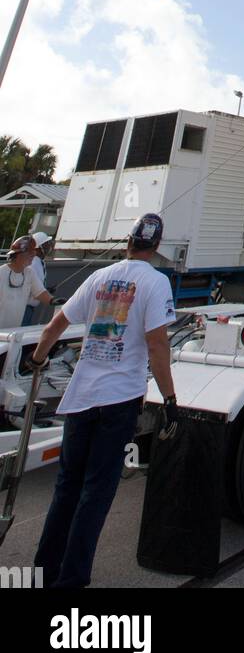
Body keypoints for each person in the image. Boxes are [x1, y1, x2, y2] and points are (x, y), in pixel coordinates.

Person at [29, 213, 178, 589]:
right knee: (96, 493)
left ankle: (42, 573)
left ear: (128, 241)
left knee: (67, 488)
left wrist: (38, 359)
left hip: (81, 398)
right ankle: (73, 579)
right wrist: (171, 399)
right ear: (157, 247)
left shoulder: (98, 278)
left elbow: (54, 326)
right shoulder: (156, 283)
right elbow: (158, 345)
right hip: (119, 402)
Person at [0, 235, 52, 328]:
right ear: (19, 255)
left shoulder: (29, 273)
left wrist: (54, 301)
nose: (33, 255)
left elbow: (40, 293)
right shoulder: (2, 273)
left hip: (14, 330)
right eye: (30, 252)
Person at [24, 231, 55, 326]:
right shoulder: (32, 263)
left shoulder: (39, 262)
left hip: (29, 308)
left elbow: (35, 284)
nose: (49, 246)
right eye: (46, 244)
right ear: (39, 247)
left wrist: (45, 290)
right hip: (25, 308)